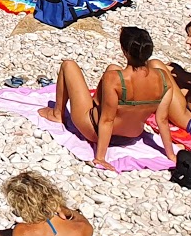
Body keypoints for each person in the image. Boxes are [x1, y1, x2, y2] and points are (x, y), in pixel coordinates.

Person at [37, 25, 175, 170]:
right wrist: (171, 155)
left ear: (125, 51)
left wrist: (100, 158)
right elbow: (162, 119)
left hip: (95, 130)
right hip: (131, 136)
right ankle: (93, 102)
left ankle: (57, 114)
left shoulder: (115, 79)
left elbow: (107, 119)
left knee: (68, 65)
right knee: (112, 67)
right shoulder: (163, 77)